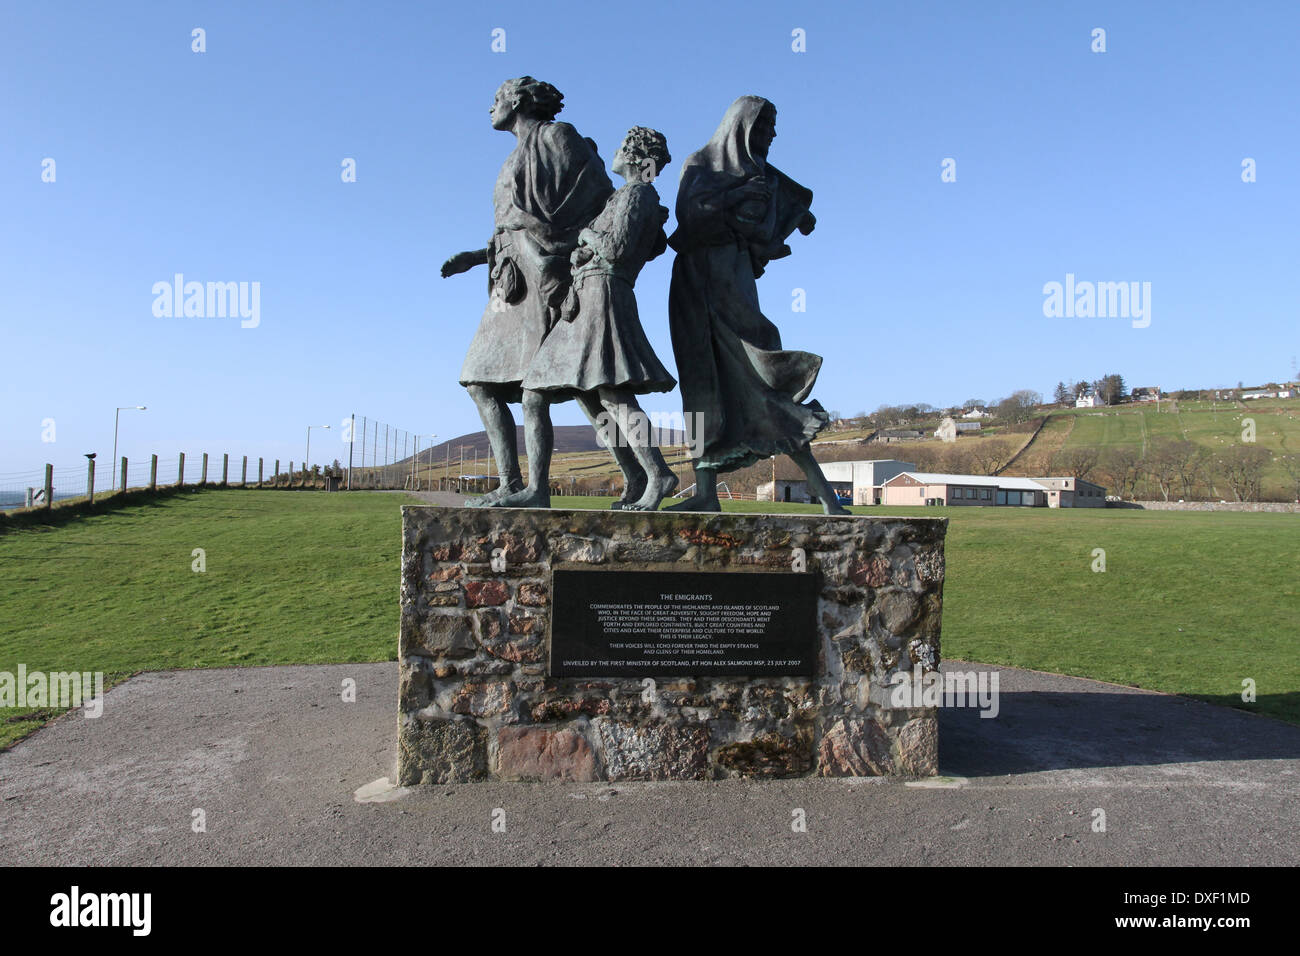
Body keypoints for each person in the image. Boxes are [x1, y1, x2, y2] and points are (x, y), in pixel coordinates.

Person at [664, 95, 847, 515]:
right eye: (764, 128)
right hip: (696, 283)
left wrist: (799, 215)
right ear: (741, 127)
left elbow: (790, 197)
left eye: (772, 129)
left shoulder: (759, 173)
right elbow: (690, 220)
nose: (772, 136)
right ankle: (706, 493)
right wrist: (737, 198)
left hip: (733, 283)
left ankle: (828, 500)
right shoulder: (701, 165)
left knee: (760, 378)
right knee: (700, 387)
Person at [440, 77, 613, 507]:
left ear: (517, 100)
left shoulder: (558, 135)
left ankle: (545, 488)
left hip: (543, 273)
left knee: (563, 386)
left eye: (496, 98)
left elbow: (597, 194)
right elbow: (508, 226)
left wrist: (560, 245)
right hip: (508, 280)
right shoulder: (512, 157)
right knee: (479, 382)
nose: (490, 106)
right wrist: (475, 256)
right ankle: (511, 483)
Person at [522, 127, 678, 511]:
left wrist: (587, 237)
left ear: (639, 158)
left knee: (609, 389)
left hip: (604, 294)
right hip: (587, 295)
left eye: (624, 147)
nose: (616, 151)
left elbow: (614, 249)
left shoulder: (637, 194)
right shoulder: (624, 197)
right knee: (582, 390)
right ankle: (638, 474)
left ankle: (657, 474)